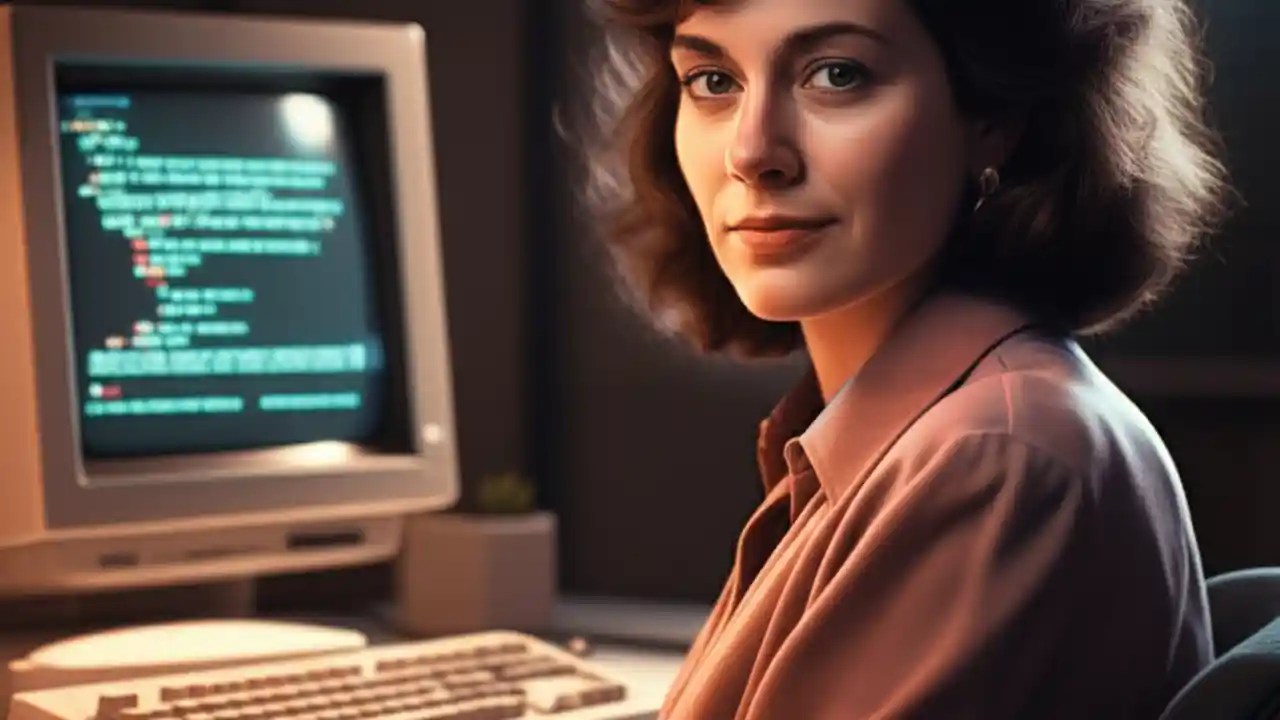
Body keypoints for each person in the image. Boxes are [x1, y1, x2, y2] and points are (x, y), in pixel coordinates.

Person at [574, 0, 1231, 716]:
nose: (752, 152)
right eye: (711, 81)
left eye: (837, 74)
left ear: (994, 118)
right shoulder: (919, 430)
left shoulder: (993, 459)